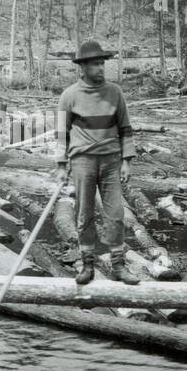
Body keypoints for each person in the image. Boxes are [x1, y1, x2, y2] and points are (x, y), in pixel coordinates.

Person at [55, 39, 142, 286]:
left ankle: (118, 265)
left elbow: (125, 128)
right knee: (84, 214)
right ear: (82, 68)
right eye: (95, 64)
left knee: (115, 213)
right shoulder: (69, 96)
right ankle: (87, 264)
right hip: (82, 161)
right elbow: (62, 134)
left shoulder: (115, 92)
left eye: (102, 63)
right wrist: (61, 166)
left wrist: (127, 161)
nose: (100, 68)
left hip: (111, 160)